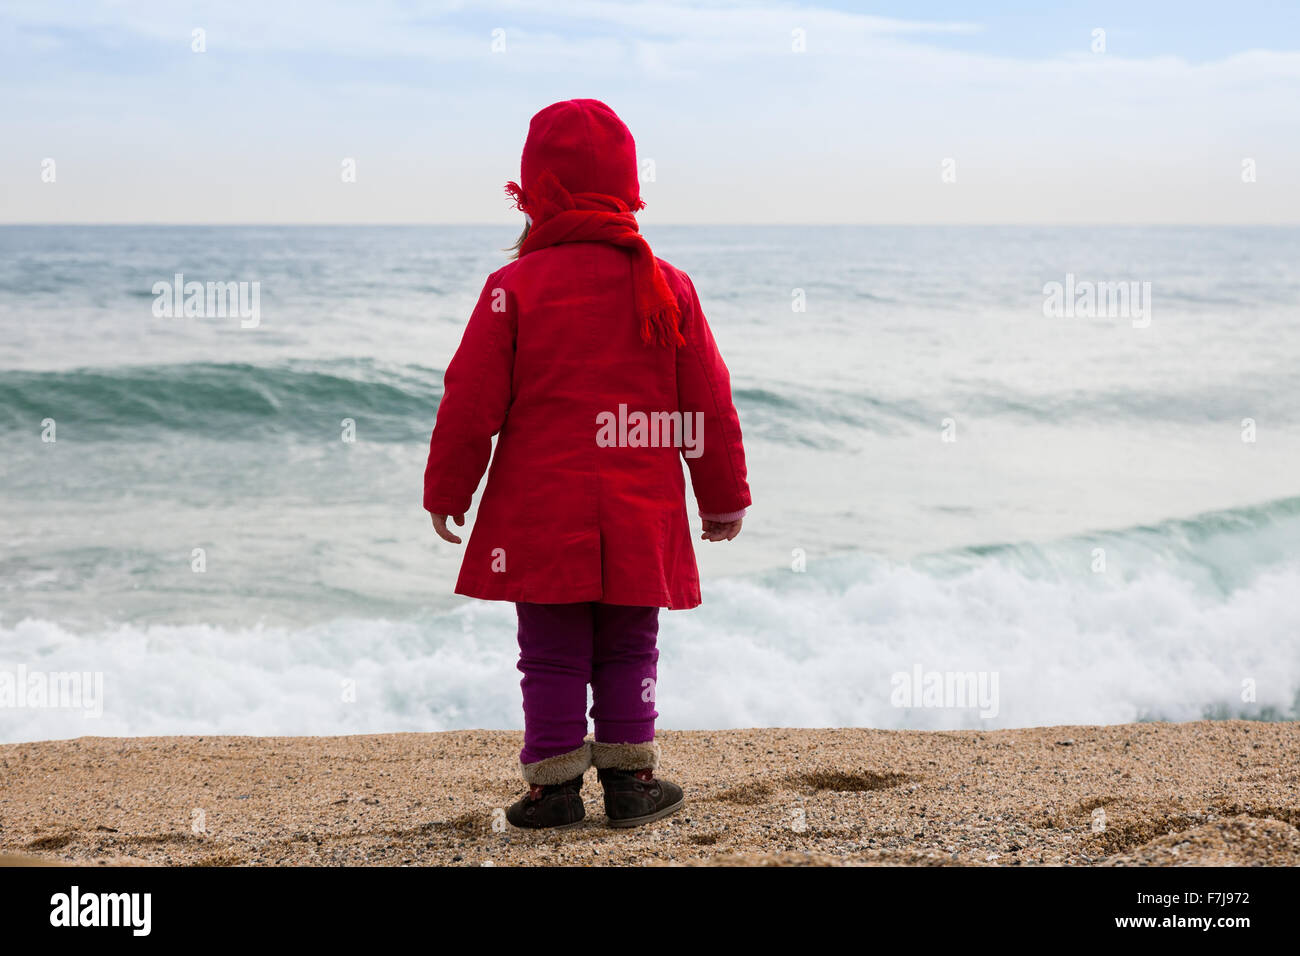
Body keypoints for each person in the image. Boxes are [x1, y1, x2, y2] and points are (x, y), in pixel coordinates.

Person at [424, 99, 750, 829]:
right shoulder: (668, 284)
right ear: (629, 188)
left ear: (532, 193)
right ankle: (632, 785)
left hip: (541, 512)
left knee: (549, 652)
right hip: (642, 508)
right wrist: (722, 495)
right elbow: (708, 399)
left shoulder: (514, 288)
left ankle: (554, 792)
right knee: (631, 647)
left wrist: (448, 489)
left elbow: (471, 400)